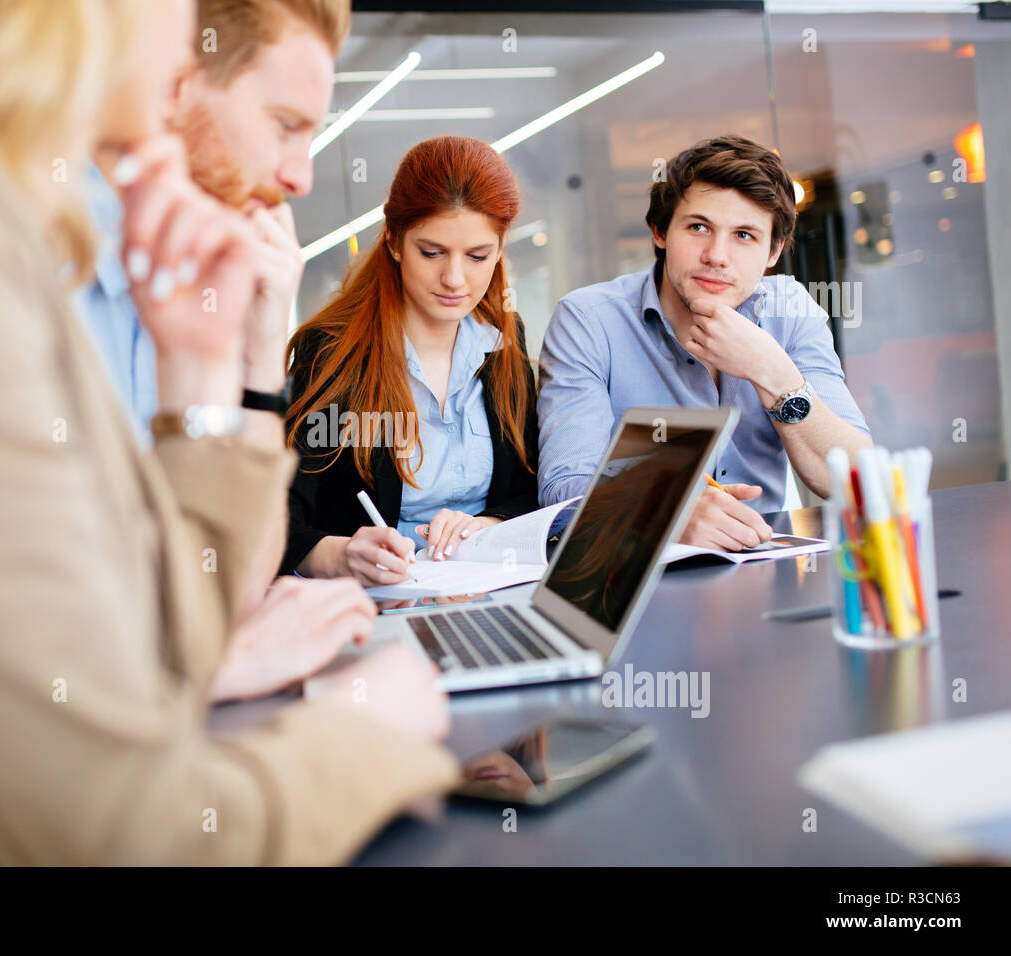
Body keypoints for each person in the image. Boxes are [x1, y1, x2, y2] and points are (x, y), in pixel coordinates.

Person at [0, 0, 456, 866]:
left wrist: (199, 378)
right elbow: (119, 837)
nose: (190, 33)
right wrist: (368, 731)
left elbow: (147, 652)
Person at [78, 0, 360, 701]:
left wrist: (262, 357)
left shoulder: (197, 276)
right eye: (285, 125)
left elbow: (231, 593)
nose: (300, 177)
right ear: (178, 81)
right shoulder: (49, 261)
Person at [537, 134, 873, 551]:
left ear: (774, 251)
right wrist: (665, 514)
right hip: (639, 574)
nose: (717, 255)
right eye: (699, 227)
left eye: (744, 235)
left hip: (762, 568)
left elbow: (857, 481)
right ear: (660, 232)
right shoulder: (589, 320)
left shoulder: (789, 311)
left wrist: (773, 372)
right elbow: (562, 486)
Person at [283, 135, 540, 588]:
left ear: (500, 248)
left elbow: (533, 489)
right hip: (373, 603)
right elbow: (284, 522)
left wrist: (489, 525)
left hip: (488, 593)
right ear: (395, 240)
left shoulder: (504, 343)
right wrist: (342, 554)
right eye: (431, 252)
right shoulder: (330, 351)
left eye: (477, 256)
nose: (454, 279)